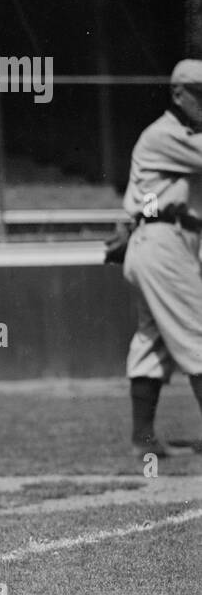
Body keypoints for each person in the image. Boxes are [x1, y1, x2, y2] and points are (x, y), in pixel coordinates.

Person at [120, 58, 202, 458]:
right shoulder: (165, 134)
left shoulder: (184, 133)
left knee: (153, 342)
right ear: (177, 93)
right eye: (199, 95)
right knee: (199, 331)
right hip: (163, 238)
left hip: (163, 240)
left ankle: (143, 439)